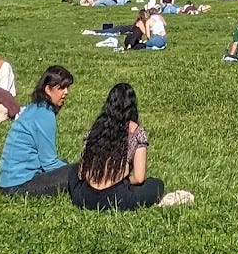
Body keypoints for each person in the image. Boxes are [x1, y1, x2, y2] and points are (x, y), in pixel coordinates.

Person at [70, 81, 191, 210]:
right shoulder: (136, 133)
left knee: (73, 169)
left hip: (85, 197)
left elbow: (81, 172)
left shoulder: (95, 130)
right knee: (156, 184)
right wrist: (125, 181)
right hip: (116, 199)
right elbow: (139, 178)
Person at [0, 65, 77, 196]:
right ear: (48, 89)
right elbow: (49, 163)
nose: (66, 92)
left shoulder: (35, 108)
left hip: (7, 182)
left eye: (67, 87)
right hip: (19, 186)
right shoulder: (44, 114)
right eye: (61, 88)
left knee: (67, 166)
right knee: (77, 171)